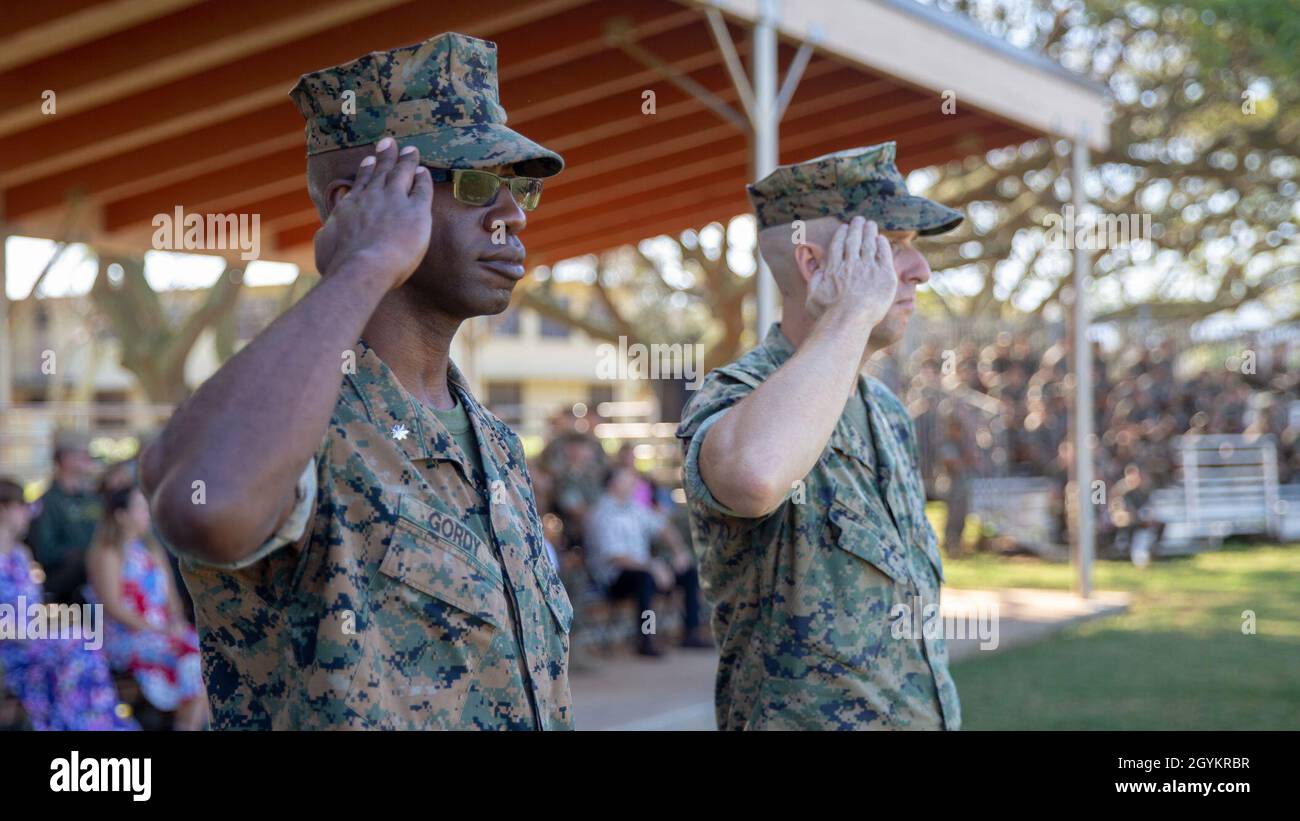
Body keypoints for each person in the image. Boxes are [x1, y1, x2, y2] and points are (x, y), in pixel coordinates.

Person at [139, 33, 573, 730]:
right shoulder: (301, 423)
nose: (513, 214)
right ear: (355, 202)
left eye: (520, 187)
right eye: (474, 183)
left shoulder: (494, 444)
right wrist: (363, 263)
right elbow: (205, 505)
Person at [676, 143, 964, 730]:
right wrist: (851, 313)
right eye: (891, 246)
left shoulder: (882, 409)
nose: (919, 270)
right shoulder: (739, 395)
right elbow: (754, 474)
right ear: (814, 266)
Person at [0, 478, 137, 731]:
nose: (29, 514)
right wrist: (33, 633)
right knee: (78, 645)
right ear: (3, 509)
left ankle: (93, 722)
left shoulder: (21, 555)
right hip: (11, 650)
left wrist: (50, 626)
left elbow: (35, 608)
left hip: (35, 641)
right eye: (22, 505)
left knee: (83, 639)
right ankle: (89, 724)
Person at [85, 485, 207, 731]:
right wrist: (157, 629)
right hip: (127, 637)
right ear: (121, 516)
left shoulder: (151, 549)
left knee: (208, 655)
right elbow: (113, 607)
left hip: (163, 632)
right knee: (191, 660)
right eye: (141, 508)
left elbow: (171, 596)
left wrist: (173, 621)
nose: (148, 514)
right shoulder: (107, 553)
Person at [585, 466, 708, 656]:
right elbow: (615, 557)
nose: (634, 483)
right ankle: (646, 637)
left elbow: (663, 527)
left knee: (688, 572)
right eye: (628, 479)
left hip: (643, 568)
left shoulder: (635, 508)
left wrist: (679, 552)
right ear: (614, 484)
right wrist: (652, 567)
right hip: (613, 577)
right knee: (645, 580)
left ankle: (691, 632)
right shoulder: (602, 513)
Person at [27, 430, 100, 605]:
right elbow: (44, 552)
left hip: (99, 580)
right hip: (70, 591)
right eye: (83, 454)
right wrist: (83, 554)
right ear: (66, 459)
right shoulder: (47, 503)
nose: (88, 460)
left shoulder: (92, 498)